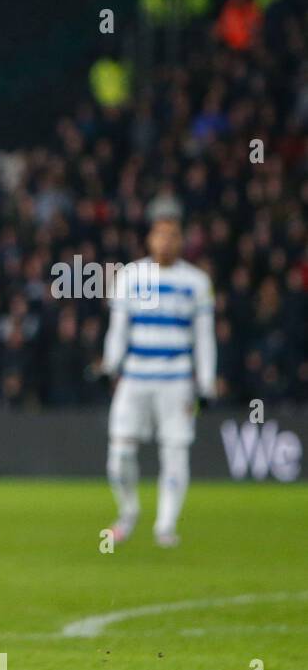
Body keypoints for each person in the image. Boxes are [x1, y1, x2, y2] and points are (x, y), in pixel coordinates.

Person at [103, 199, 217, 547]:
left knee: (175, 451)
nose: (165, 241)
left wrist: (206, 384)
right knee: (120, 452)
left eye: (172, 235)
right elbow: (118, 328)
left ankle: (165, 525)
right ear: (150, 239)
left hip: (177, 380)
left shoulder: (196, 282)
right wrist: (109, 365)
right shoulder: (130, 276)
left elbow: (204, 337)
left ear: (181, 240)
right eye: (160, 234)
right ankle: (129, 513)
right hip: (135, 376)